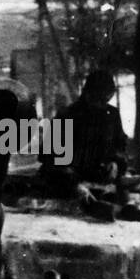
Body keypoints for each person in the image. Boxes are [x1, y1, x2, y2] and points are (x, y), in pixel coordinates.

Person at [40, 68, 127, 203]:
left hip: (102, 187)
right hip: (65, 189)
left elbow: (120, 146)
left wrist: (116, 164)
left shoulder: (112, 115)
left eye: (106, 99)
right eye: (98, 99)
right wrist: (74, 184)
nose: (102, 105)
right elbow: (49, 160)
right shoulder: (66, 117)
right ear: (87, 94)